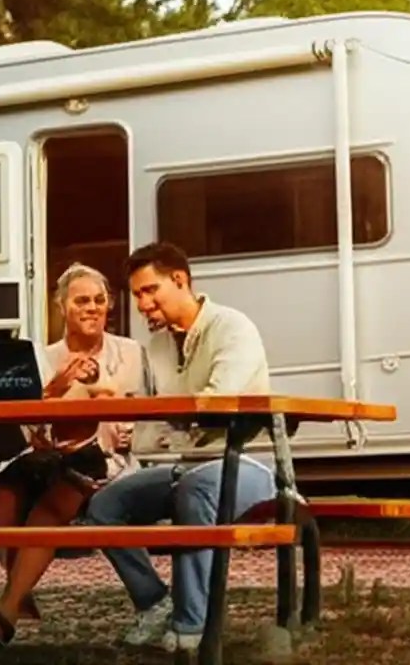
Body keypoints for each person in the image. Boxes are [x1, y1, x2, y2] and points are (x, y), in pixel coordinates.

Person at [81, 241, 277, 655]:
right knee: (104, 506)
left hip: (243, 463)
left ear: (180, 280)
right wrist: (127, 414)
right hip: (186, 464)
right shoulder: (158, 345)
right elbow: (154, 418)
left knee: (195, 491)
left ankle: (192, 629)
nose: (142, 304)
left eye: (150, 291)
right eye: (136, 295)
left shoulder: (232, 327)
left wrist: (150, 418)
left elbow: (215, 403)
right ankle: (154, 602)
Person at [0, 262, 147, 644]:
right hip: (49, 457)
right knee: (8, 486)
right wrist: (54, 389)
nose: (92, 308)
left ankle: (7, 609)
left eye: (100, 300)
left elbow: (142, 415)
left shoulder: (130, 352)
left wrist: (110, 400)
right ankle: (18, 590)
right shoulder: (42, 357)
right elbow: (27, 430)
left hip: (101, 461)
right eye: (82, 300)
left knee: (57, 498)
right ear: (62, 307)